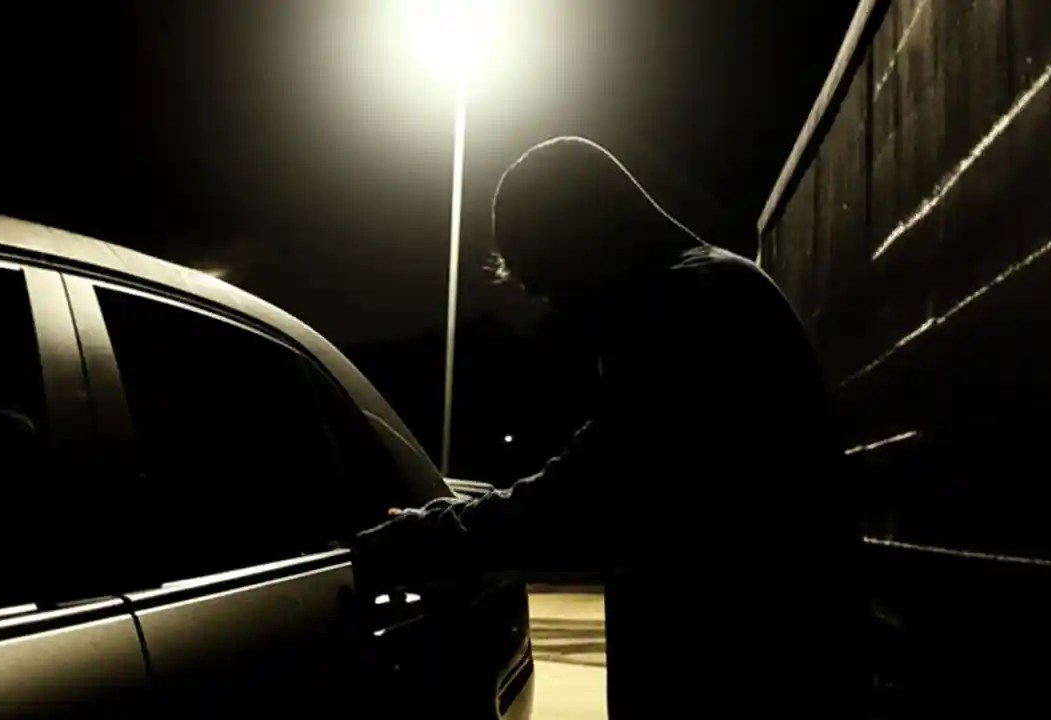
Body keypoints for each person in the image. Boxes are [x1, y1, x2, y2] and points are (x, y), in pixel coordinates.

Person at [354, 136, 862, 718]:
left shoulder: (689, 305)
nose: (555, 306)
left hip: (749, 681)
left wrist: (428, 537)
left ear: (582, 237)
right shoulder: (717, 289)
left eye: (547, 280)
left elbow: (588, 506)